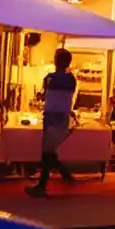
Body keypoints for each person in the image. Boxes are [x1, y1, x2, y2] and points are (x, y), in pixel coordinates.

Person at [26, 49, 77, 198]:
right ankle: (65, 175)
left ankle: (42, 186)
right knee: (49, 150)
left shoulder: (49, 78)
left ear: (56, 61)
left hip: (51, 117)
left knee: (47, 152)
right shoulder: (71, 80)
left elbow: (43, 94)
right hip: (62, 117)